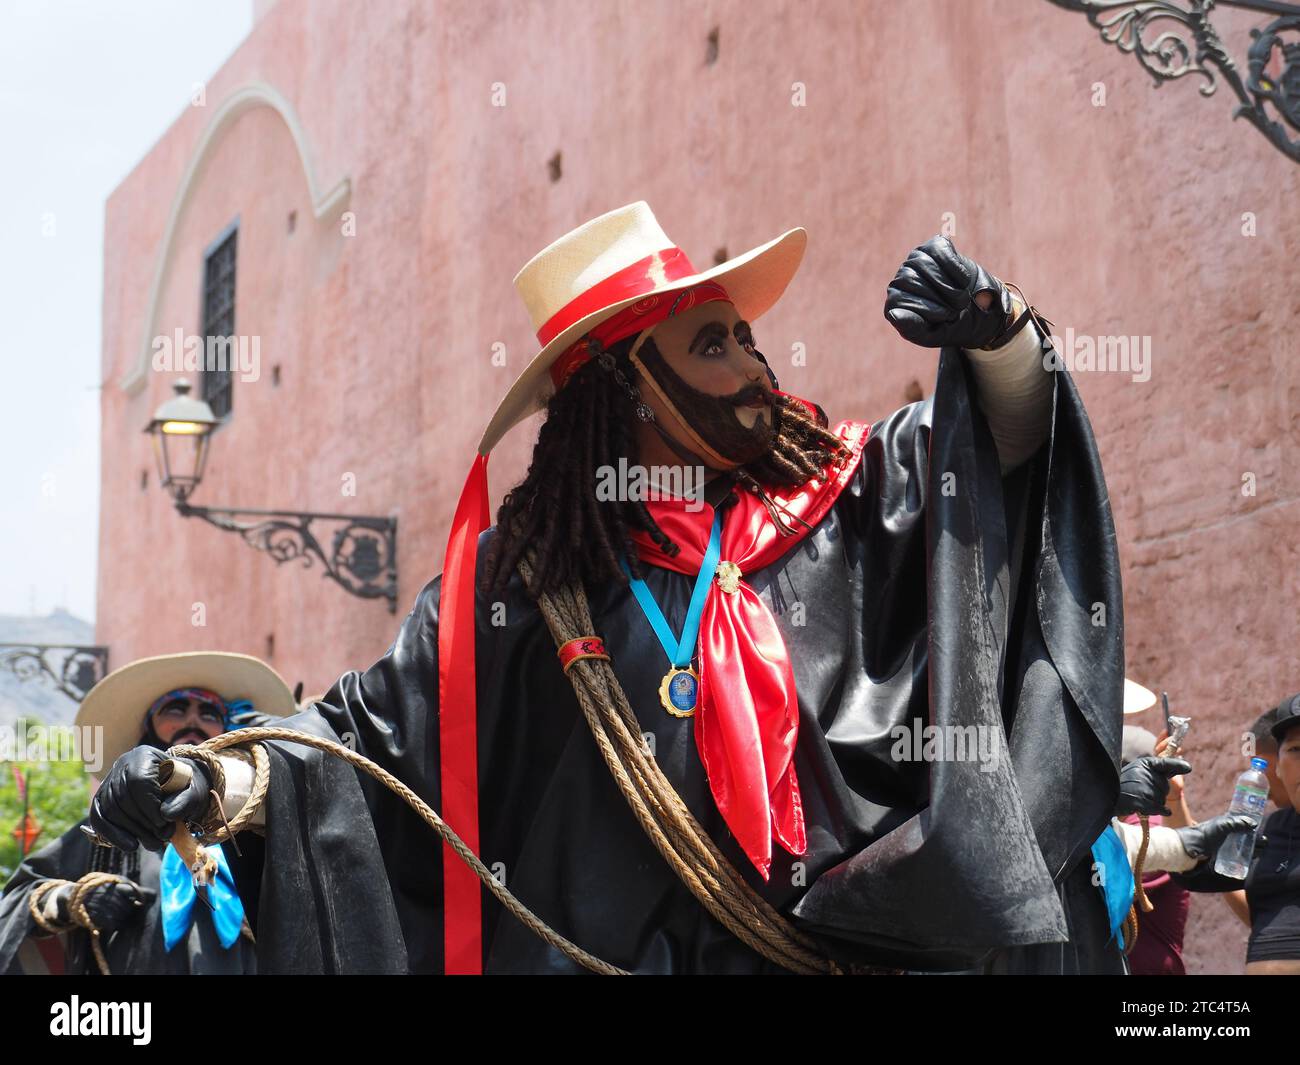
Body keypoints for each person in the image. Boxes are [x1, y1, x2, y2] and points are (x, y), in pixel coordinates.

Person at [89, 202, 1128, 974]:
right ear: (624, 384)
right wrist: (216, 784)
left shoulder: (854, 493)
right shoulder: (527, 581)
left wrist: (998, 334)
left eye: (745, 336)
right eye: (711, 344)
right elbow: (370, 744)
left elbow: (1007, 461)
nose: (755, 365)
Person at [0, 652, 295, 975]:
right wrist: (73, 901)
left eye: (208, 712)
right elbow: (18, 900)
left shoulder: (259, 829)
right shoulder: (111, 831)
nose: (192, 721)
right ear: (147, 729)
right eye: (176, 709)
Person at [1172, 693, 1300, 974]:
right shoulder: (1267, 831)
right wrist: (1171, 799)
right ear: (1276, 767)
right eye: (1296, 749)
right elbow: (1191, 869)